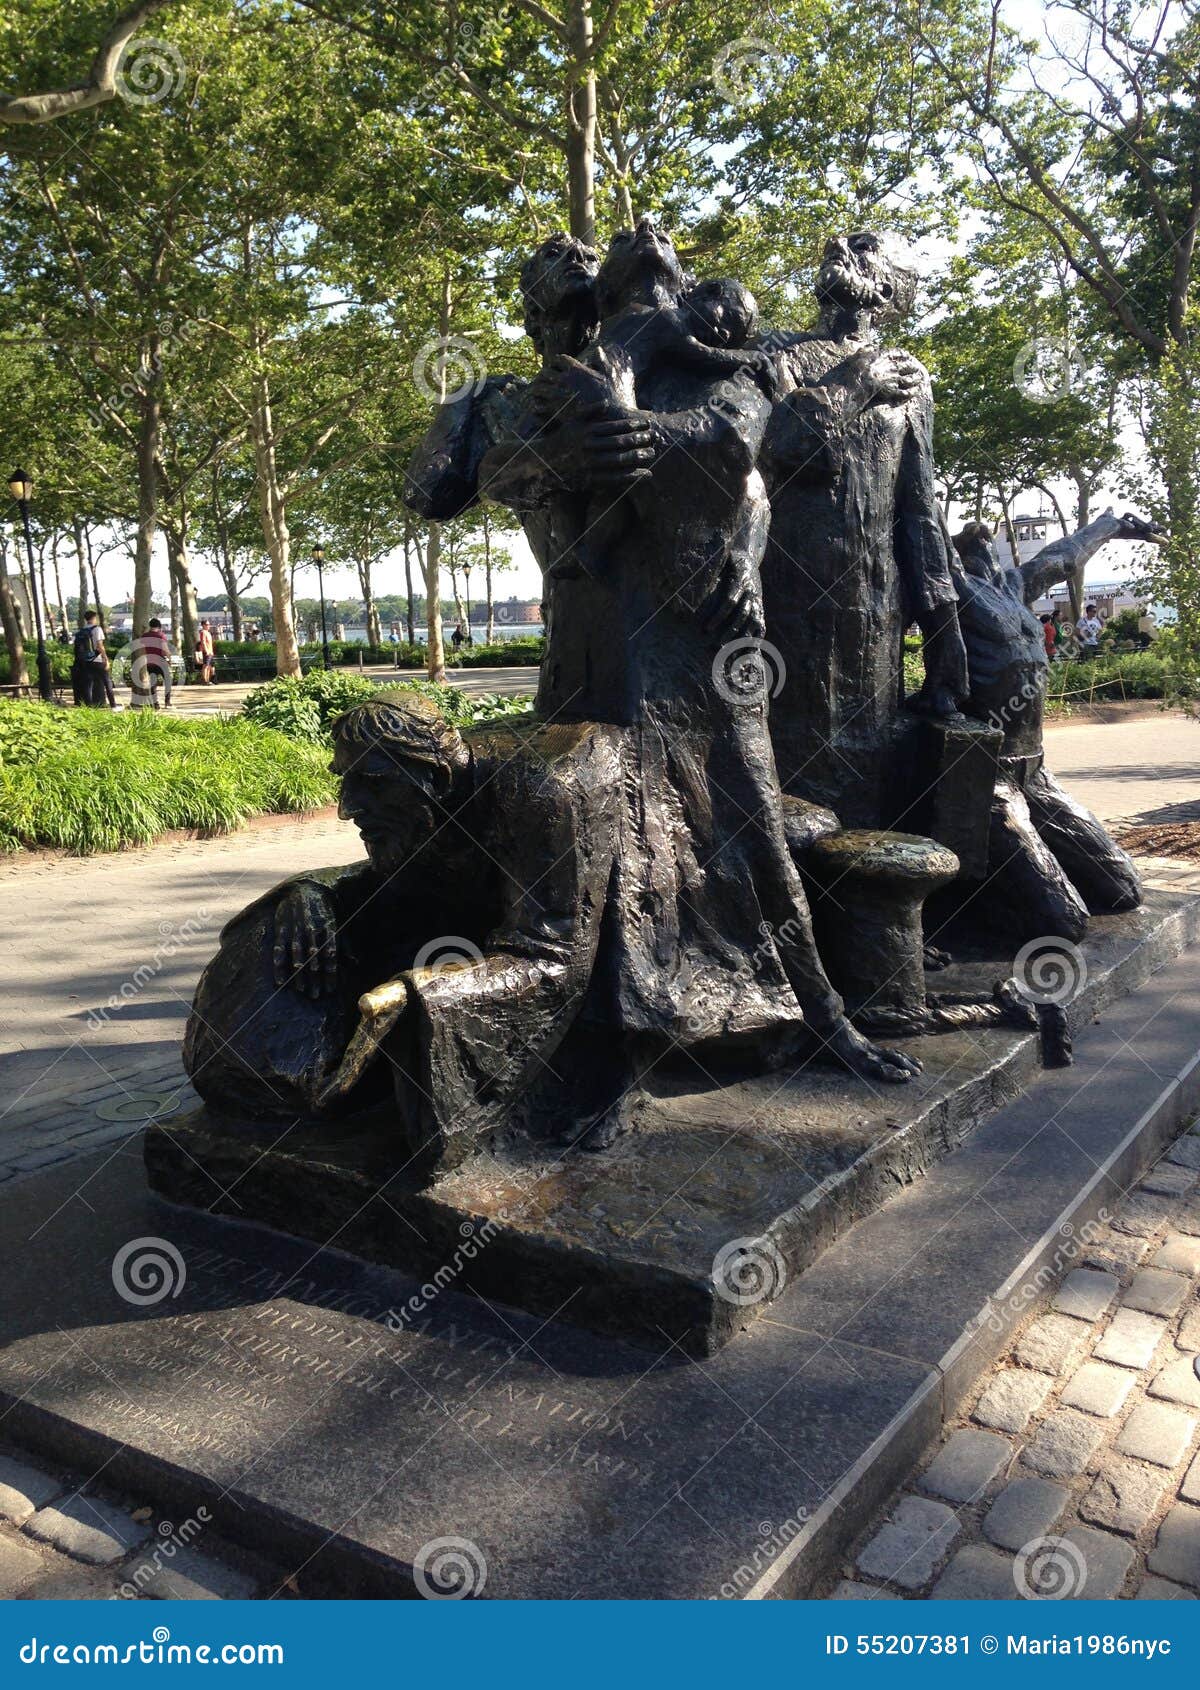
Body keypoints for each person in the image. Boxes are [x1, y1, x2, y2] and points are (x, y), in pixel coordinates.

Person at [184, 693, 626, 1178]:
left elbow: (554, 954)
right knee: (281, 921)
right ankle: (296, 1087)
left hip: (560, 942)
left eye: (373, 783)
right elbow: (394, 878)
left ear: (437, 779)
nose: (347, 809)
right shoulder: (425, 801)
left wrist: (425, 994)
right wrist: (314, 889)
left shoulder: (540, 794)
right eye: (345, 781)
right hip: (453, 925)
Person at [757, 231, 968, 826]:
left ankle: (863, 872)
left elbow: (920, 512)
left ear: (893, 288)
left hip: (872, 609)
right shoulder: (778, 355)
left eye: (865, 246)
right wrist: (860, 380)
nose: (837, 246)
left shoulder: (912, 377)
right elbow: (785, 446)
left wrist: (943, 630)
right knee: (785, 764)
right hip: (784, 596)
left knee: (867, 775)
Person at [128, 618, 172, 709]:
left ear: (150, 626)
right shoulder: (161, 635)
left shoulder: (145, 636)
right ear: (159, 626)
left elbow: (143, 649)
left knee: (153, 684)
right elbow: (165, 650)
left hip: (150, 662)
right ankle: (167, 702)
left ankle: (155, 704)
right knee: (168, 681)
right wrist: (169, 659)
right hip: (161, 661)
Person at [71, 610, 109, 708]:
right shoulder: (97, 629)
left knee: (88, 684)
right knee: (105, 682)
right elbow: (100, 646)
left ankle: (88, 704)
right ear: (94, 618)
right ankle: (104, 703)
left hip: (84, 660)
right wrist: (105, 658)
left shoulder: (81, 631)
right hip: (96, 659)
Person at [196, 618, 215, 683]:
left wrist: (211, 652)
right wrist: (206, 651)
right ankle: (204, 680)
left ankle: (208, 680)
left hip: (210, 652)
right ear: (203, 625)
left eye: (209, 624)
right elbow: (203, 642)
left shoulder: (208, 633)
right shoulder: (203, 632)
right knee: (205, 666)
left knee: (209, 666)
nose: (208, 626)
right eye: (207, 624)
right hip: (207, 652)